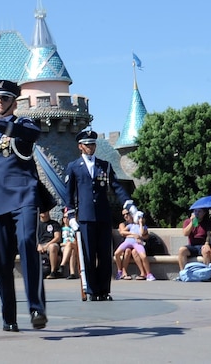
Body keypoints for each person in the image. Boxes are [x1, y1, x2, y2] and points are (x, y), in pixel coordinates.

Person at [0, 79, 47, 331]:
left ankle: (36, 308)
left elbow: (32, 135)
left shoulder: (23, 123)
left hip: (24, 196)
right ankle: (9, 317)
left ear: (13, 103)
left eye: (4, 98)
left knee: (27, 242)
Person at [64, 128, 136, 301]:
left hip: (103, 216)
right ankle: (91, 289)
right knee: (88, 255)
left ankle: (104, 290)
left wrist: (129, 203)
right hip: (85, 217)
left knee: (104, 255)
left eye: (93, 144)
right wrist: (71, 216)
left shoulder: (105, 165)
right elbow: (69, 194)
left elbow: (117, 187)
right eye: (87, 145)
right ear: (80, 146)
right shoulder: (73, 167)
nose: (91, 147)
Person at [113, 211, 153, 280]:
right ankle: (120, 272)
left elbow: (142, 233)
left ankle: (148, 274)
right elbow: (122, 232)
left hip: (137, 243)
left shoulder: (144, 227)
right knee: (117, 253)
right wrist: (133, 234)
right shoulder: (130, 225)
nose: (125, 216)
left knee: (143, 256)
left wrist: (140, 224)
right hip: (128, 241)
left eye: (127, 214)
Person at [178, 207, 211, 272]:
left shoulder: (207, 222)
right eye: (195, 211)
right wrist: (192, 222)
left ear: (204, 213)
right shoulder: (187, 221)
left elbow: (209, 235)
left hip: (202, 245)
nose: (197, 213)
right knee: (182, 250)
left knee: (206, 251)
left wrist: (206, 244)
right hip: (192, 246)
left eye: (199, 211)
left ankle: (206, 272)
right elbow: (185, 233)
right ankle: (183, 273)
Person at [37, 211, 62, 279]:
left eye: (45, 210)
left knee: (52, 247)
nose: (44, 212)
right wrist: (38, 245)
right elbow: (33, 237)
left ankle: (53, 272)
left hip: (51, 244)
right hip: (40, 245)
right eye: (42, 211)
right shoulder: (36, 225)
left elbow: (57, 237)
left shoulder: (54, 224)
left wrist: (47, 245)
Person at [59, 212, 80, 279]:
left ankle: (62, 265)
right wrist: (65, 244)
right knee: (72, 250)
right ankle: (72, 273)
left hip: (75, 245)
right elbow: (59, 242)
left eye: (68, 217)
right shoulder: (61, 229)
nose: (66, 219)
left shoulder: (75, 228)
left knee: (70, 244)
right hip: (64, 247)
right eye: (64, 217)